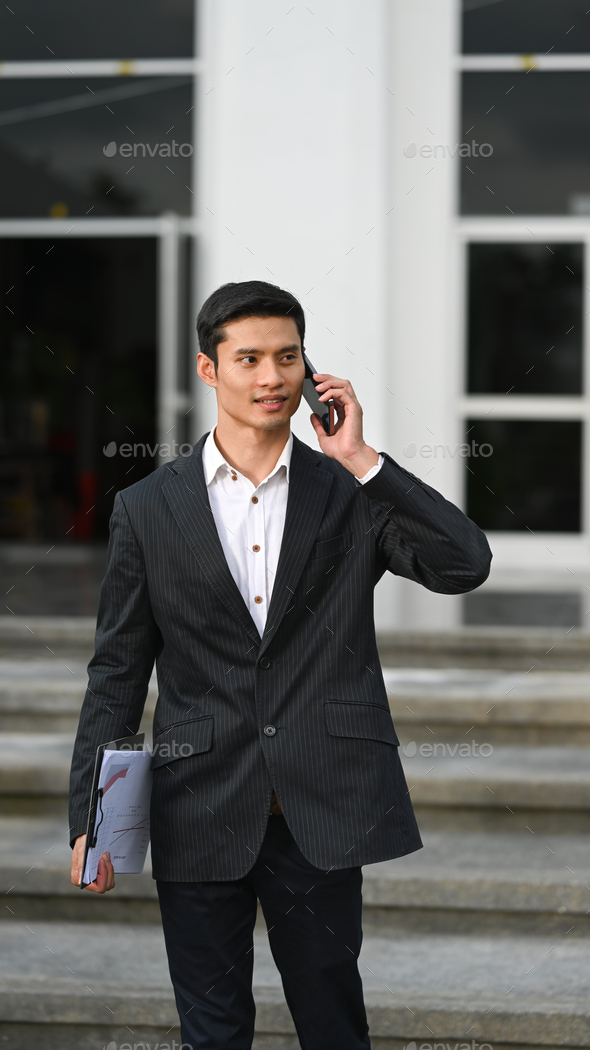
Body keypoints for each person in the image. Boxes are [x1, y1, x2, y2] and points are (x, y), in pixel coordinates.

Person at [70, 280, 491, 1050]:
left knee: (333, 1025)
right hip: (198, 803)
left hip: (320, 805)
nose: (272, 377)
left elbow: (464, 565)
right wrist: (92, 820)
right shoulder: (147, 508)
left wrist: (363, 458)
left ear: (309, 367)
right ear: (209, 369)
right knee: (212, 1032)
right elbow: (117, 671)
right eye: (250, 359)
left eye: (288, 357)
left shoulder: (351, 492)